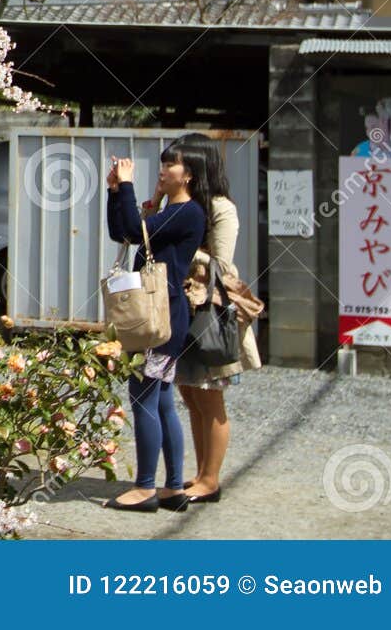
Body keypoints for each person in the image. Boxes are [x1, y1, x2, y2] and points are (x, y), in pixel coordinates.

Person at [101, 141, 212, 513]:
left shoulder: (188, 211)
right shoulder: (172, 210)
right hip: (165, 315)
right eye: (163, 163)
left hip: (160, 318)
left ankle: (146, 486)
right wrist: (115, 191)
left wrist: (129, 186)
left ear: (190, 174)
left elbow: (135, 227)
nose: (163, 170)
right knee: (162, 400)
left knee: (143, 396)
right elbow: (124, 232)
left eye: (172, 165)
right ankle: (172, 488)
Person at [169, 132, 260, 503]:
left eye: (178, 162)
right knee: (190, 393)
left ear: (197, 166)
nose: (172, 169)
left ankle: (212, 480)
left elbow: (223, 265)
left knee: (210, 396)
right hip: (183, 306)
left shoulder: (221, 208)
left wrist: (188, 246)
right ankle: (201, 472)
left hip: (212, 310)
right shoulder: (184, 202)